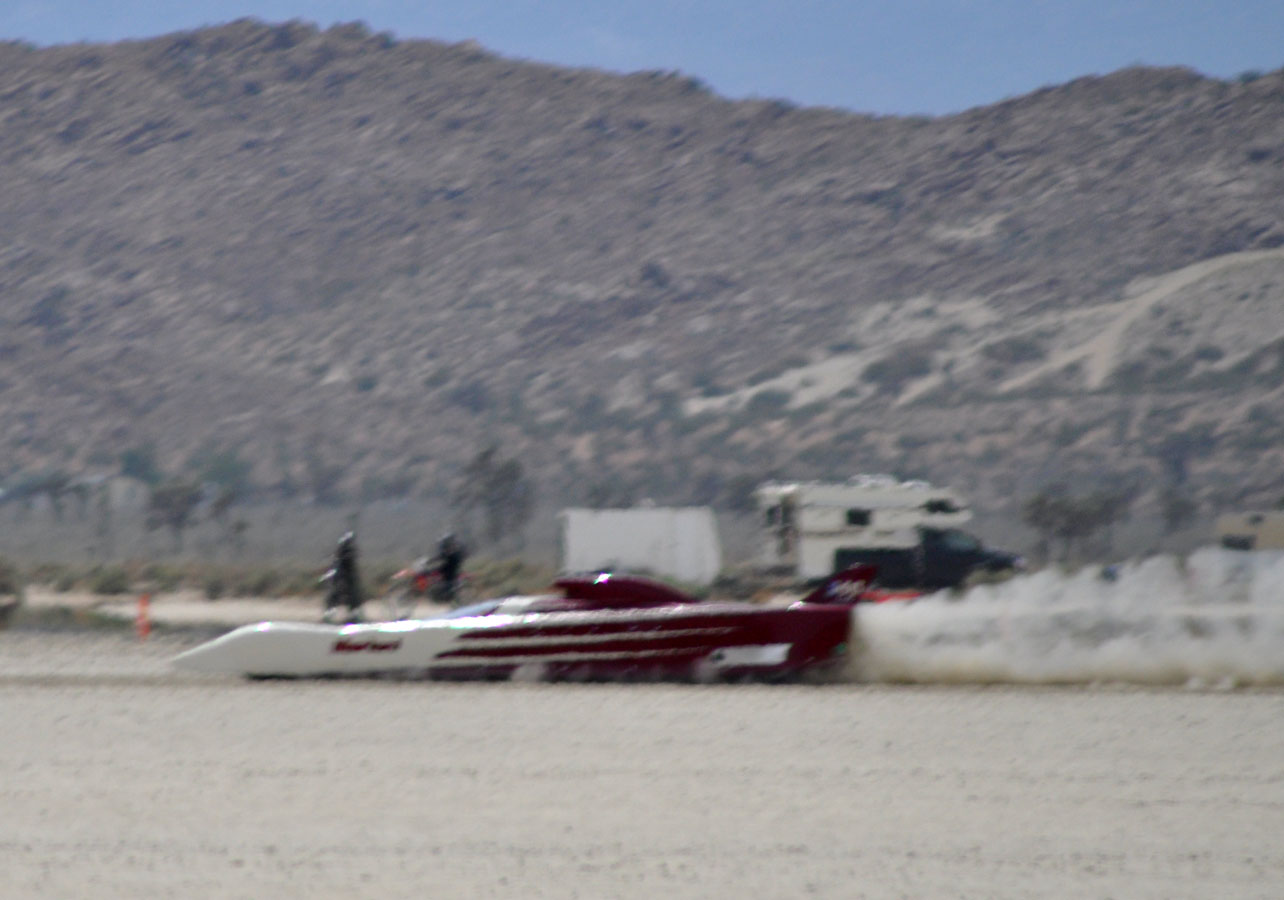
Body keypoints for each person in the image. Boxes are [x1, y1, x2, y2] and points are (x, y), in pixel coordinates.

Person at [324, 531, 362, 622]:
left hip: (347, 577)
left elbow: (351, 567)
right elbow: (337, 565)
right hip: (341, 577)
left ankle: (353, 614)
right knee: (336, 594)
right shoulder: (342, 555)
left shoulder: (348, 553)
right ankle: (330, 614)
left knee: (352, 595)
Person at [431, 532, 467, 606]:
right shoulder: (450, 550)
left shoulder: (454, 551)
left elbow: (444, 558)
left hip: (451, 572)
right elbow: (440, 556)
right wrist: (430, 561)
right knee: (435, 575)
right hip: (449, 570)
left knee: (448, 584)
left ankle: (455, 601)